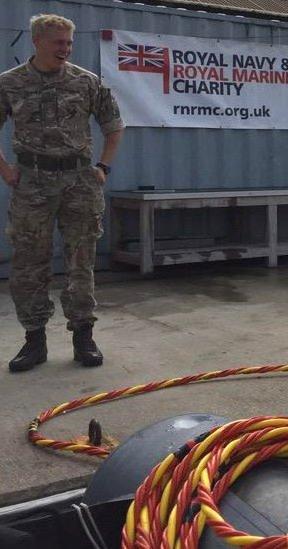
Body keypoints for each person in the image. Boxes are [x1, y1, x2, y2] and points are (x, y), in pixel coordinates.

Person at [0, 14, 124, 372]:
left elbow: (114, 126)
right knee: (29, 262)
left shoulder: (86, 83)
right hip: (32, 183)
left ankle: (83, 336)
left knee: (80, 261)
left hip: (78, 181)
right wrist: (7, 171)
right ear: (37, 41)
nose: (66, 49)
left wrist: (102, 167)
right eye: (59, 43)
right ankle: (34, 340)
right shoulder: (10, 84)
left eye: (69, 43)